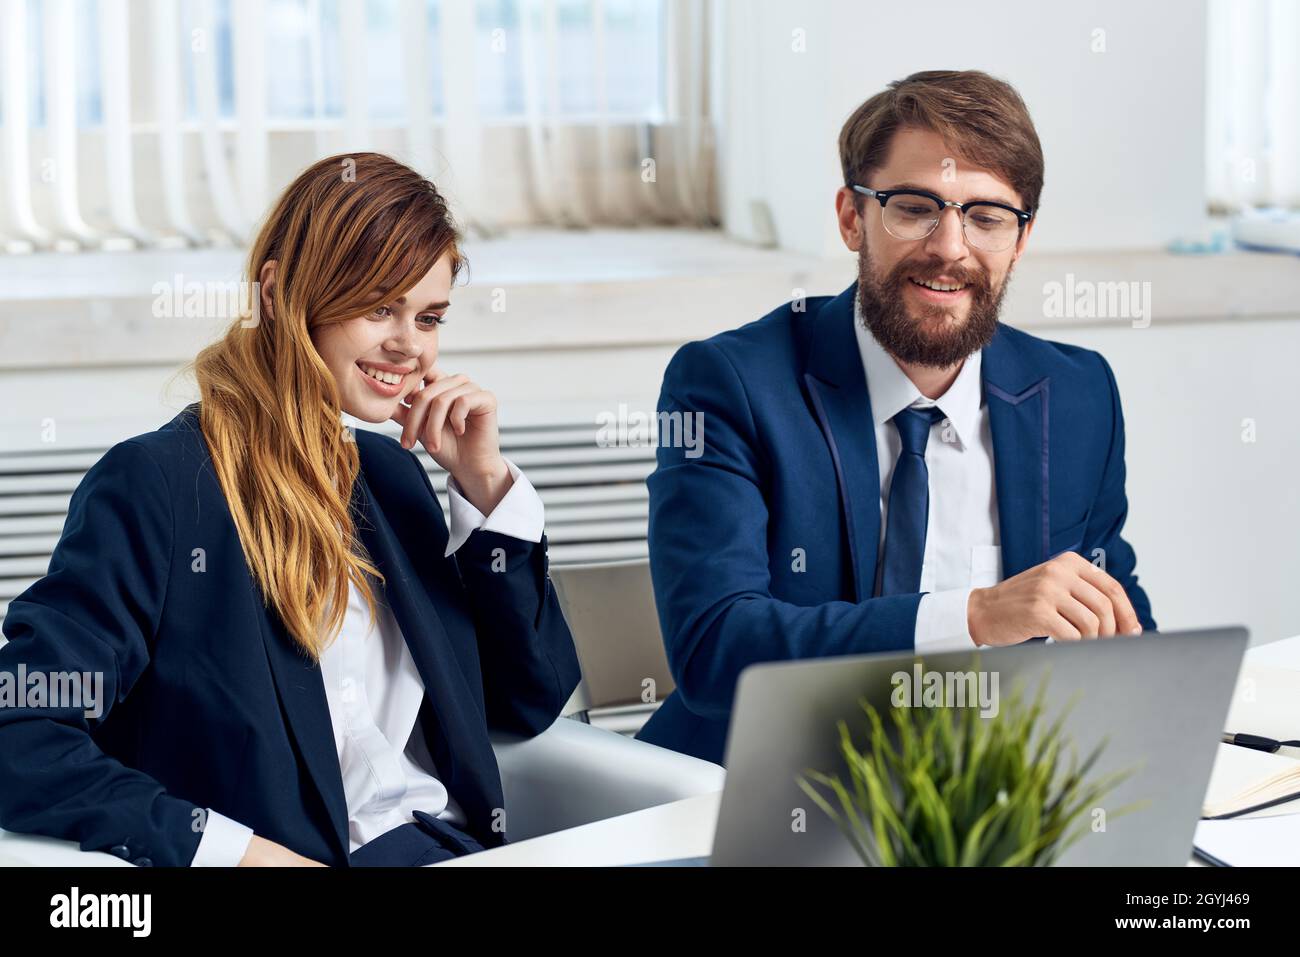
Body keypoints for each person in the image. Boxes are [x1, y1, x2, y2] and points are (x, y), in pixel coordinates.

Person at [0, 153, 581, 866]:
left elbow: (533, 698)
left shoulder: (393, 477)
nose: (408, 344)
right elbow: (20, 730)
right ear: (275, 292)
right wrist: (236, 854)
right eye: (378, 307)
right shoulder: (159, 483)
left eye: (428, 316)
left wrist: (485, 488)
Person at [636, 70, 1156, 766]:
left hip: (990, 798)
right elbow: (718, 648)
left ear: (1021, 238)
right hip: (773, 790)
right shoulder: (728, 385)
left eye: (986, 216)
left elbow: (1112, 613)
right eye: (915, 207)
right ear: (852, 216)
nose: (950, 246)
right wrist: (973, 616)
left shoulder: (1078, 392)